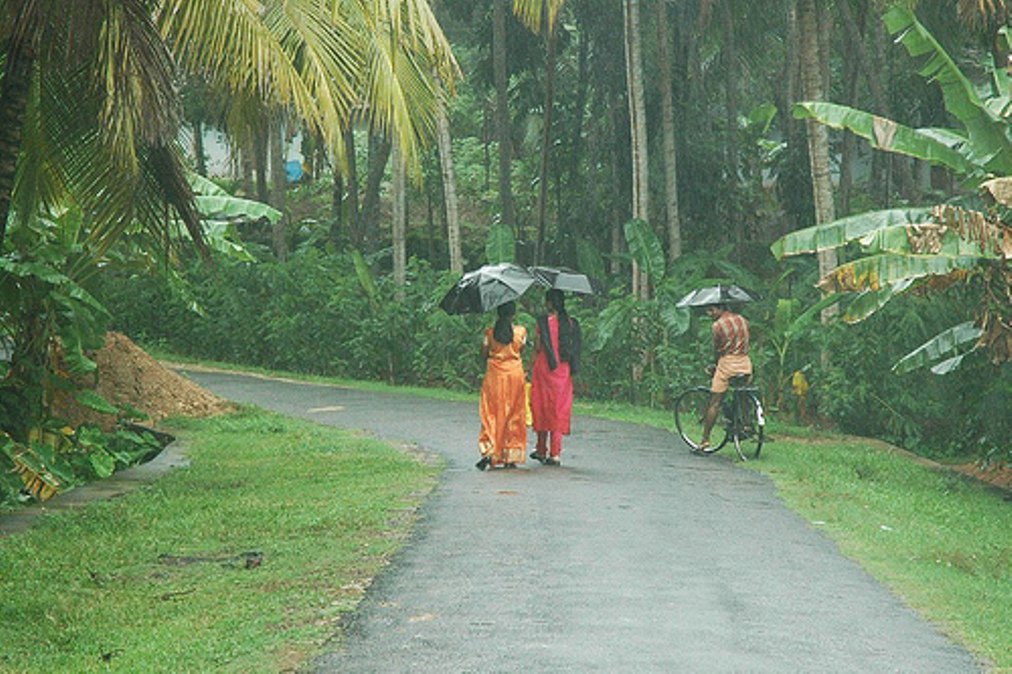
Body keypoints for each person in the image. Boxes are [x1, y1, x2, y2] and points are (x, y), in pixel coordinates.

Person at [529, 289, 581, 466]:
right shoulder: (571, 323)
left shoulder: (543, 322)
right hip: (563, 371)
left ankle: (541, 448)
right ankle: (555, 453)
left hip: (544, 369)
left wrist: (528, 367)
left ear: (550, 303)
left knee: (541, 406)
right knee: (558, 409)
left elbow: (538, 347)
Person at [476, 301, 528, 470]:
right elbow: (521, 350)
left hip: (495, 375)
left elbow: (483, 354)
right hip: (515, 375)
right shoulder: (521, 332)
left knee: (492, 413)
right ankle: (510, 454)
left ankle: (491, 450)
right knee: (514, 413)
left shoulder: (490, 333)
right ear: (513, 314)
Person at [699, 302, 752, 451]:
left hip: (728, 363)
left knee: (715, 402)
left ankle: (705, 440)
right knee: (742, 393)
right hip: (745, 363)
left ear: (721, 308)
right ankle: (746, 424)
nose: (710, 314)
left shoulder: (717, 325)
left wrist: (714, 366)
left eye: (712, 310)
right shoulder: (742, 320)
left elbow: (718, 349)